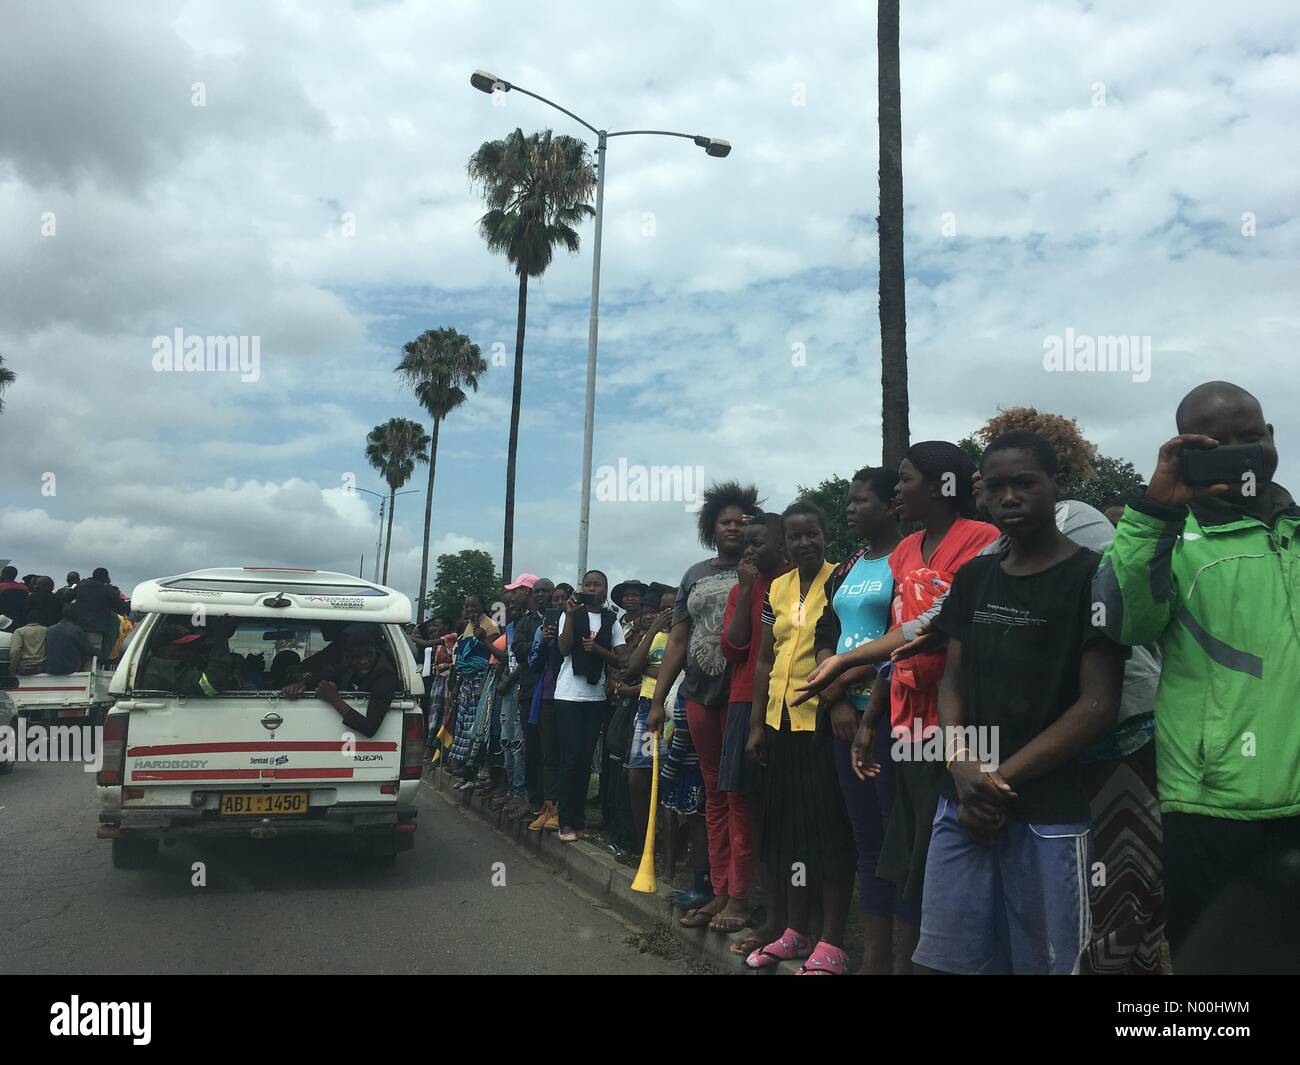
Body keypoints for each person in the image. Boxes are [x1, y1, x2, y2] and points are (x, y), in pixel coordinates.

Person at [1094, 381, 1300, 960]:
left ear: (1272, 438)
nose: (1238, 450)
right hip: (1212, 803)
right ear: (1184, 454)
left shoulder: (1296, 532)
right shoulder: (1168, 537)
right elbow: (1123, 623)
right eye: (1215, 442)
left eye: (1250, 436)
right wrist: (1155, 511)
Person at [914, 431, 1126, 974]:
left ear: (1057, 486)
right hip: (960, 803)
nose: (1009, 498)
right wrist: (961, 765)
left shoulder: (1093, 577)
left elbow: (1098, 704)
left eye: (1025, 483)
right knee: (951, 959)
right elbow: (951, 681)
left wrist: (995, 783)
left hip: (1046, 809)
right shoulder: (976, 576)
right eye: (997, 487)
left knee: (1045, 961)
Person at [796, 441, 1000, 966]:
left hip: (959, 719)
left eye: (906, 479)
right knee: (901, 846)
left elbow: (935, 621)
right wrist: (870, 722)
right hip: (904, 718)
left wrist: (844, 663)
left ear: (941, 488)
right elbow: (897, 641)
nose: (898, 489)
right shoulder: (907, 550)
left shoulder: (982, 538)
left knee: (946, 849)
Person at [744, 500, 853, 974]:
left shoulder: (841, 578)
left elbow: (846, 643)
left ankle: (833, 940)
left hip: (824, 719)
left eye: (813, 533)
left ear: (825, 534)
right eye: (796, 536)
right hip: (779, 721)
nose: (805, 542)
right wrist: (756, 724)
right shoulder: (777, 588)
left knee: (827, 829)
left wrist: (837, 697)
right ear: (784, 544)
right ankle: (795, 929)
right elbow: (766, 659)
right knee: (788, 830)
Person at [648, 481, 760, 932]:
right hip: (697, 695)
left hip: (741, 697)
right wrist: (658, 699)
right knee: (713, 794)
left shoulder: (765, 566)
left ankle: (741, 894)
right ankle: (718, 890)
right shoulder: (693, 574)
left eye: (741, 521)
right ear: (710, 528)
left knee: (741, 794)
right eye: (725, 522)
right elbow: (678, 639)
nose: (733, 527)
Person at [811, 466, 908, 974]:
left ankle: (901, 959)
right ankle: (874, 960)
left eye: (860, 501)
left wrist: (846, 681)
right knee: (866, 836)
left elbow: (907, 636)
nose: (849, 509)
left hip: (889, 714)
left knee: (896, 836)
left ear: (892, 504)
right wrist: (835, 696)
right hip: (843, 715)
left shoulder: (909, 557)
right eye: (847, 501)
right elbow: (827, 628)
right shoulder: (850, 563)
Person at [719, 512, 788, 955]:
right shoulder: (743, 589)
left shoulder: (797, 583)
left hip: (789, 703)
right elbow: (734, 646)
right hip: (744, 701)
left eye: (757, 543)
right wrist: (745, 591)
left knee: (779, 808)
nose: (748, 551)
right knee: (740, 800)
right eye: (745, 544)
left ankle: (781, 910)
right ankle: (739, 896)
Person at [554, 570, 627, 842]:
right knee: (571, 758)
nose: (592, 588)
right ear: (582, 588)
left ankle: (578, 819)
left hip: (596, 697)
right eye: (588, 584)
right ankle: (566, 822)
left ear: (605, 589)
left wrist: (598, 650)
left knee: (586, 760)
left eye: (597, 584)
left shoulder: (611, 620)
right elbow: (563, 649)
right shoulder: (570, 613)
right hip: (569, 695)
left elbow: (622, 659)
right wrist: (570, 615)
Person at [623, 587, 676, 856]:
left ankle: (670, 849)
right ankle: (645, 841)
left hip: (672, 711)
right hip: (646, 709)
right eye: (658, 610)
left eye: (670, 608)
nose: (665, 614)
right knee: (637, 777)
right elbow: (632, 667)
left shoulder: (683, 635)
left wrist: (651, 668)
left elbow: (682, 666)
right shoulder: (650, 636)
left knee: (667, 780)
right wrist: (653, 631)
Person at [281, 625, 400, 738]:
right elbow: (330, 674)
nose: (364, 661)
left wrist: (334, 699)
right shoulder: (347, 666)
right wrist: (302, 685)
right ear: (347, 657)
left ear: (376, 651)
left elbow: (369, 728)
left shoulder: (385, 676)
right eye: (357, 657)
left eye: (369, 654)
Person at [445, 594, 502, 777]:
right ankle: (461, 762)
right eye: (467, 606)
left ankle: (473, 766)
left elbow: (490, 658)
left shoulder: (490, 627)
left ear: (482, 607)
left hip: (481, 680)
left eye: (474, 606)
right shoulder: (469, 626)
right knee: (462, 722)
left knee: (475, 725)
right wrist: (457, 685)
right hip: (466, 679)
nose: (471, 610)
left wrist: (483, 637)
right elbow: (464, 658)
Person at [512, 577, 553, 820]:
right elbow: (517, 649)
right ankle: (534, 799)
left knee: (551, 751)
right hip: (529, 692)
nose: (540, 594)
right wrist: (539, 643)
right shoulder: (525, 622)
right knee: (532, 748)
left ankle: (550, 800)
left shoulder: (563, 619)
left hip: (555, 694)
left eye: (545, 591)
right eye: (536, 591)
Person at [137, 617, 242, 695]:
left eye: (190, 647)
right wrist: (220, 639)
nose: (189, 652)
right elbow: (211, 685)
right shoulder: (160, 671)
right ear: (162, 650)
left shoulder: (173, 665)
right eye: (181, 648)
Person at [70, 567, 123, 662]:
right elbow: (120, 607)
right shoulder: (106, 589)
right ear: (105, 578)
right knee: (91, 659)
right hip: (95, 630)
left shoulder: (81, 586)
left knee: (77, 656)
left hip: (77, 628)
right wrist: (108, 585)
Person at [43, 606, 94, 675]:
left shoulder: (50, 630)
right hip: (69, 669)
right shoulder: (76, 630)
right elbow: (87, 649)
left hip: (51, 669)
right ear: (75, 616)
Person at [0, 566, 28, 631]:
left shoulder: (1, 587)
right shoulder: (24, 588)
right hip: (20, 620)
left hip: (3, 620)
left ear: (3, 574)